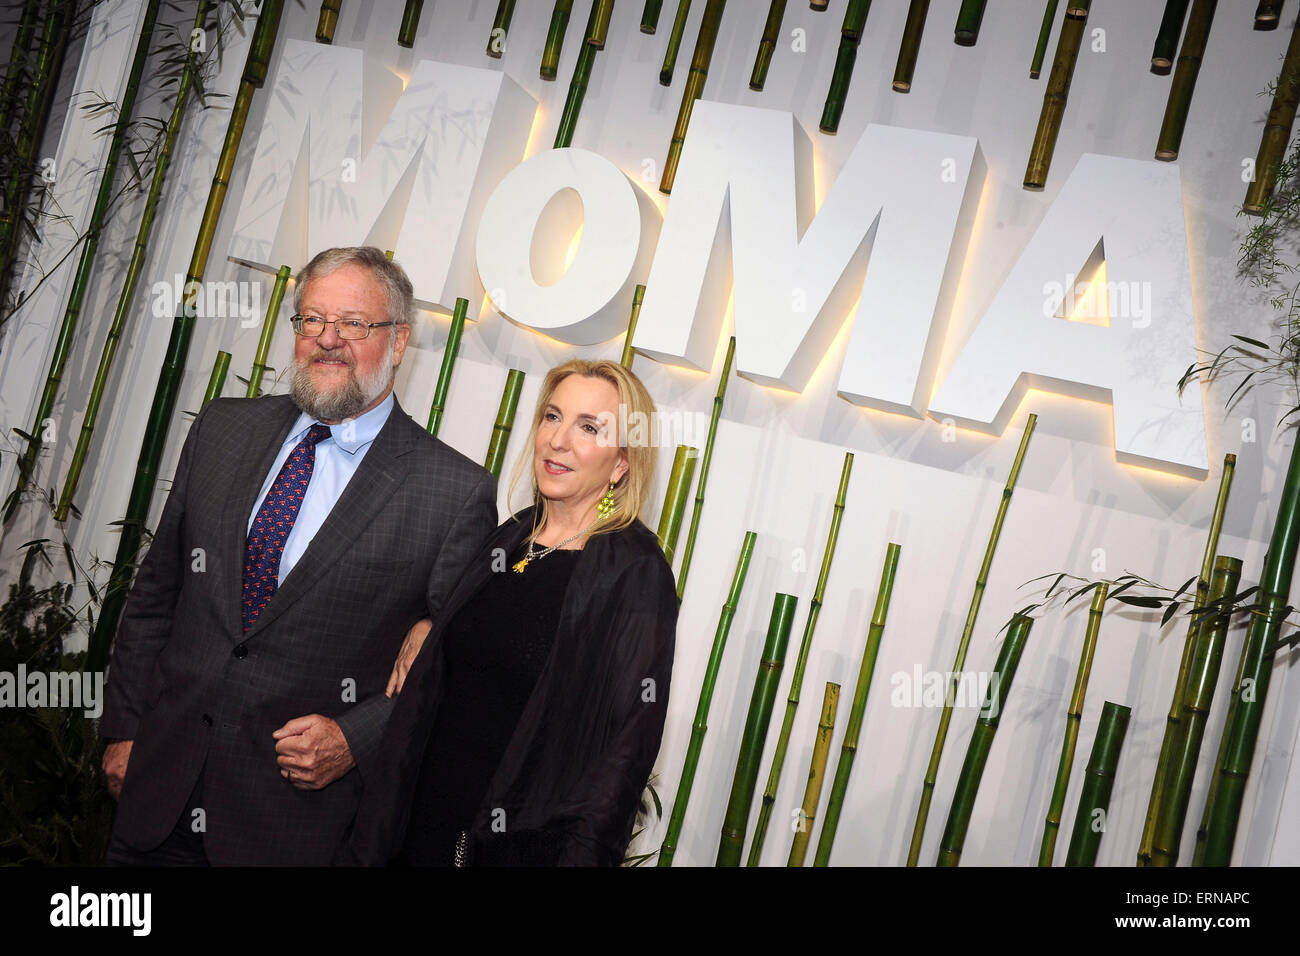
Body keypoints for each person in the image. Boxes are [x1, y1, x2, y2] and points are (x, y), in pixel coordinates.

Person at [98, 246, 498, 866]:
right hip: (156, 792)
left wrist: (353, 739)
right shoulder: (222, 428)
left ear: (398, 342)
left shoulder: (452, 493)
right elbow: (156, 595)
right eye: (312, 319)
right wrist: (125, 729)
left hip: (286, 829)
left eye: (352, 324)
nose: (327, 339)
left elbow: (448, 673)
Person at [342, 359, 679, 867]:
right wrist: (429, 624)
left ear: (621, 463)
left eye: (589, 428)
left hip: (514, 848)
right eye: (552, 417)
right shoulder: (514, 534)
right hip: (420, 821)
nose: (557, 440)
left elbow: (625, 747)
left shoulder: (633, 569)